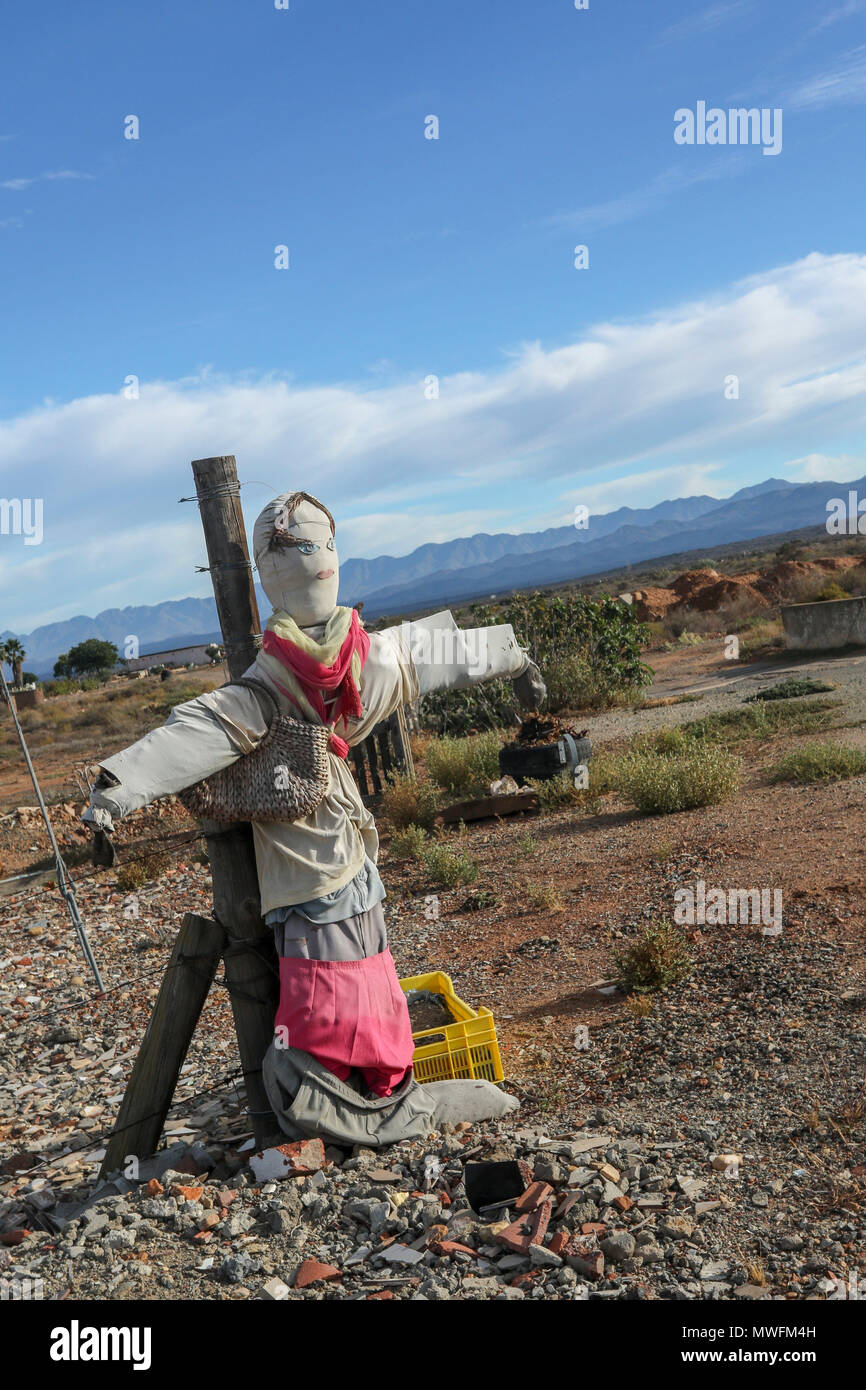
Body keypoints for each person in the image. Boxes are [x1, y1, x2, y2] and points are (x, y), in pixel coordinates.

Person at [83, 490, 546, 1145]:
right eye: (316, 547)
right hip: (346, 862)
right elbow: (444, 653)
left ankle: (340, 1098)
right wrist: (516, 656)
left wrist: (110, 794)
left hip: (303, 873)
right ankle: (373, 1091)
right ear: (328, 559)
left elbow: (189, 736)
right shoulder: (371, 659)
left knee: (327, 990)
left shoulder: (265, 689)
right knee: (358, 980)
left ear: (267, 574)